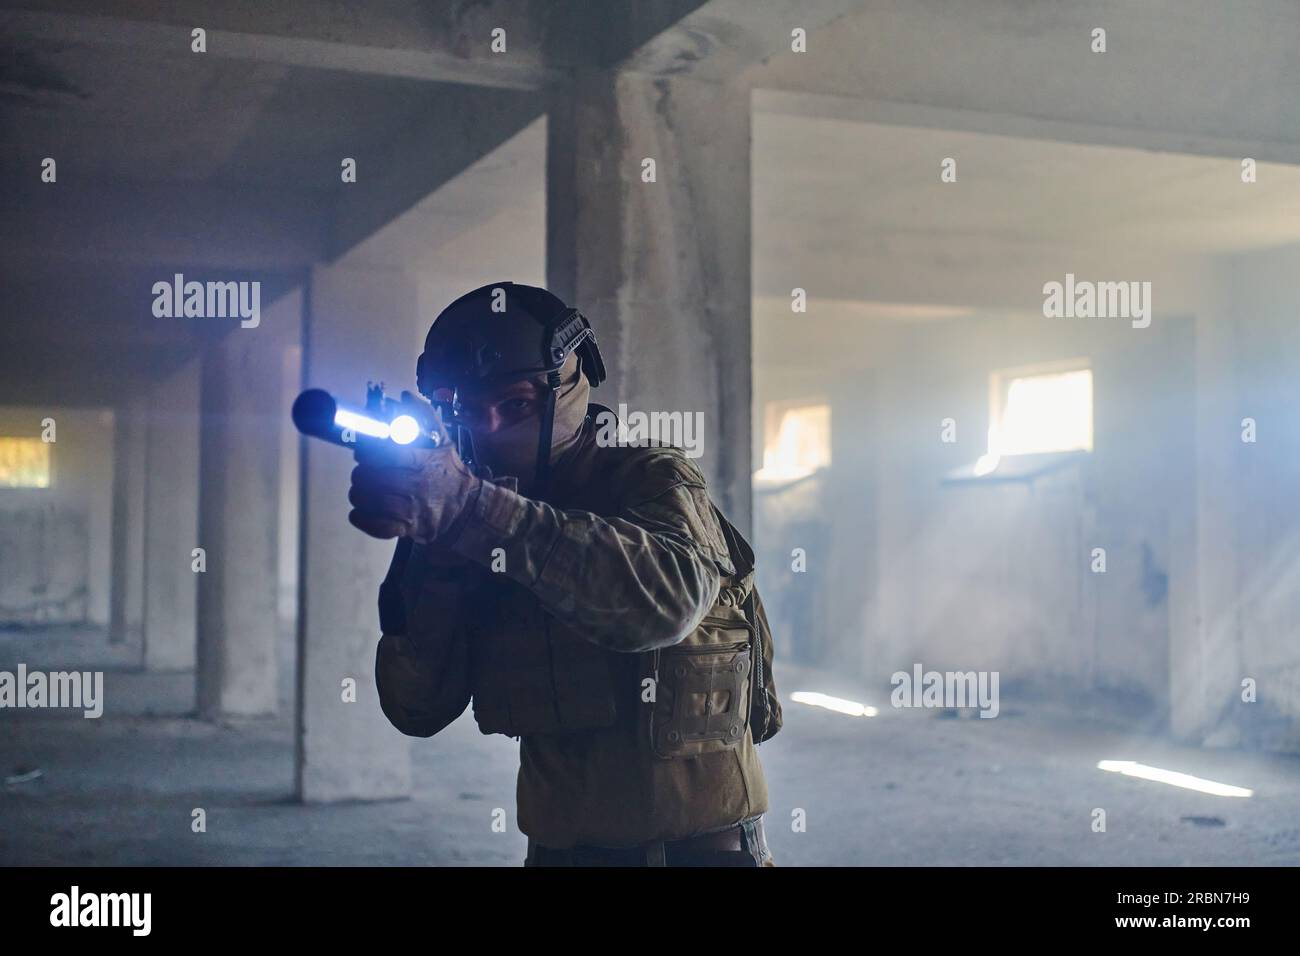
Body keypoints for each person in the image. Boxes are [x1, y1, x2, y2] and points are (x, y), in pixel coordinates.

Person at [350, 282, 781, 866]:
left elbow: (666, 603)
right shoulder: (463, 514)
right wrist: (442, 566)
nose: (495, 427)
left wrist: (474, 509)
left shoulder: (651, 479)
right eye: (471, 412)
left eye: (517, 404)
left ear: (569, 386)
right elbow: (415, 708)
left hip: (700, 853)